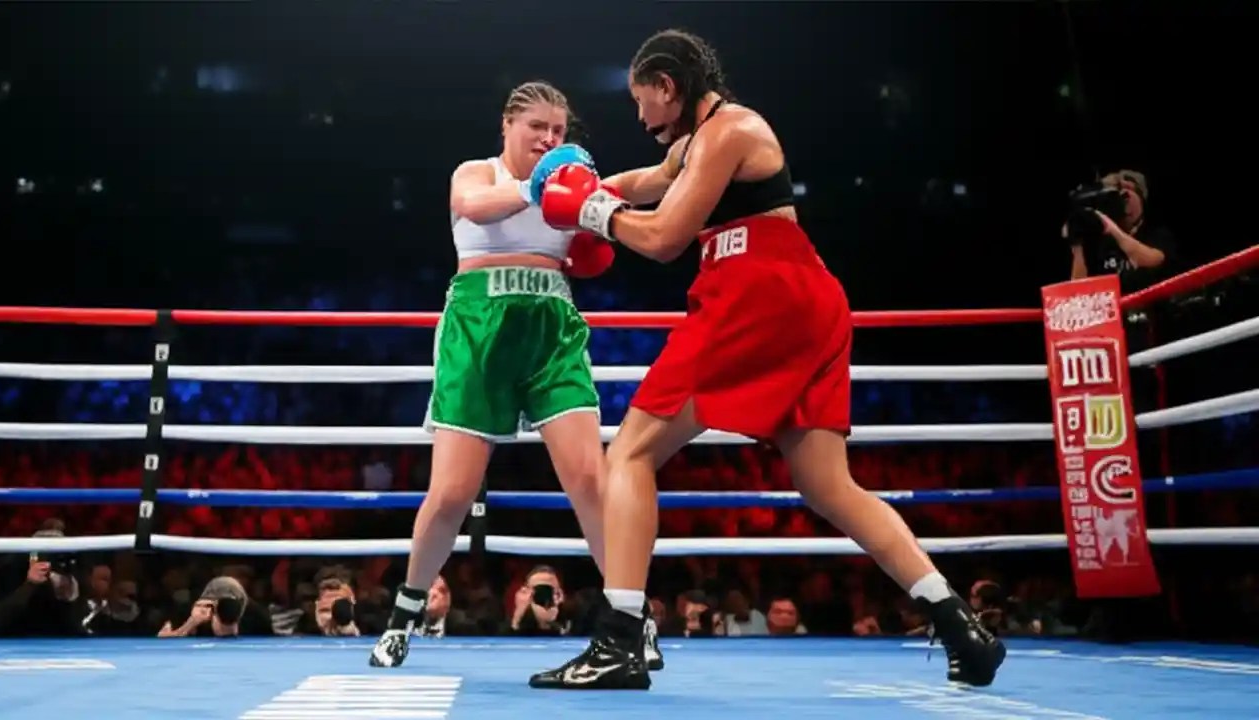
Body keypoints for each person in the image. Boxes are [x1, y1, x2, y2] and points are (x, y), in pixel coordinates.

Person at [528, 29, 1006, 690]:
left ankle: (619, 641)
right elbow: (643, 183)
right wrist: (569, 192)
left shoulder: (732, 131)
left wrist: (592, 212)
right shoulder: (696, 145)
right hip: (803, 299)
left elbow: (666, 236)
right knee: (826, 484)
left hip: (758, 292)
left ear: (669, 86)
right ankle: (961, 629)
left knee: (631, 453)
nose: (641, 120)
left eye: (645, 103)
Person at [368, 80, 662, 670]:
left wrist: (686, 160)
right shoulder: (476, 172)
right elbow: (473, 207)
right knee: (451, 493)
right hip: (478, 327)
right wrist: (543, 187)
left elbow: (640, 186)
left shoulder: (573, 183)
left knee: (590, 478)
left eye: (558, 132)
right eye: (538, 129)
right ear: (507, 125)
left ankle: (633, 618)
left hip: (551, 327)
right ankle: (405, 613)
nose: (550, 140)